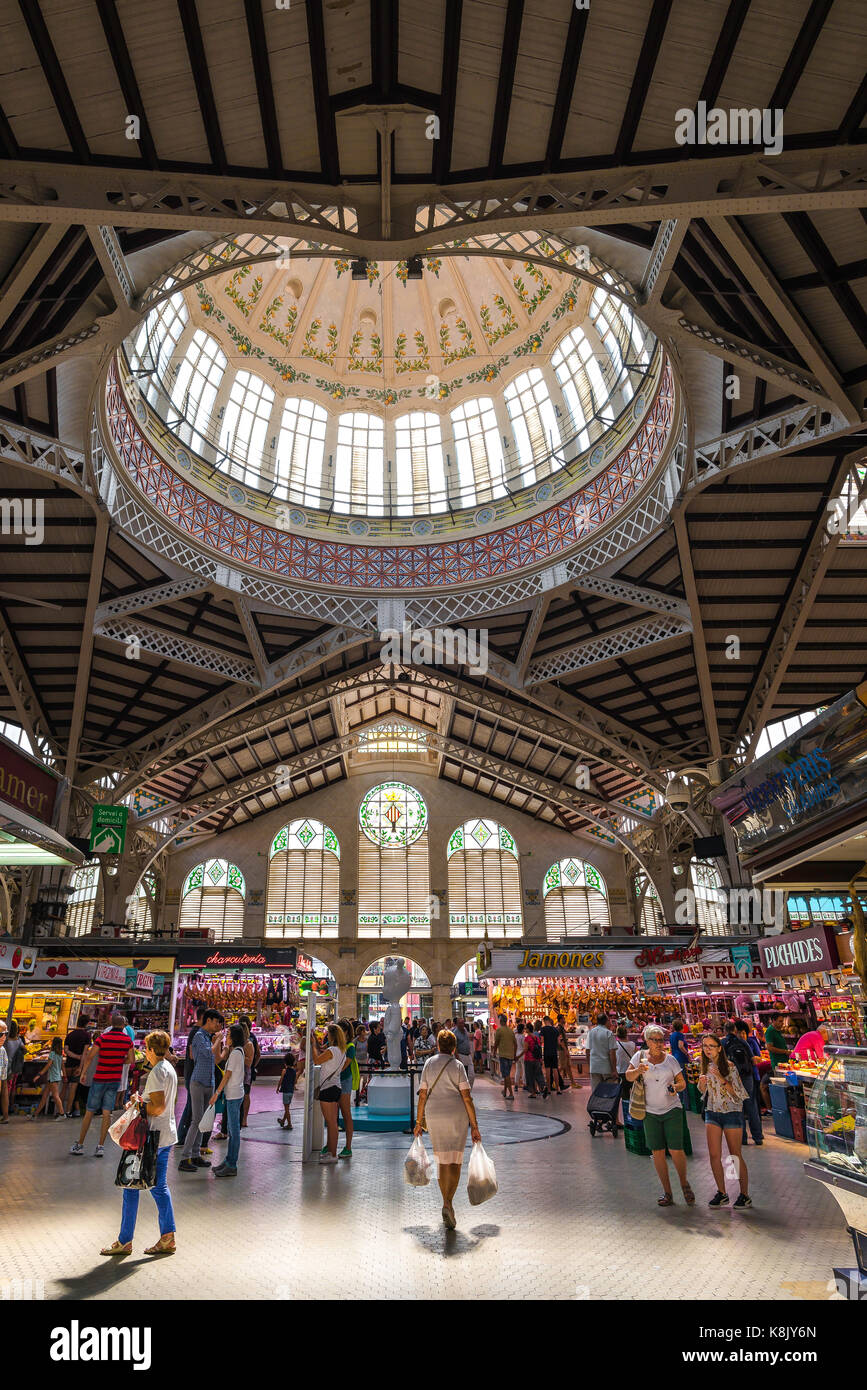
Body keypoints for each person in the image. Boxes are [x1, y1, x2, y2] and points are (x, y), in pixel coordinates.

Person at [100, 1030, 177, 1256]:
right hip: (164, 1135)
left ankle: (135, 1240)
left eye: (146, 1049)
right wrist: (142, 1100)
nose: (145, 1053)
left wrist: (138, 1104)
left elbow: (158, 1107)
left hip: (151, 1138)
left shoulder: (157, 1072)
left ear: (152, 1050)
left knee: (142, 1186)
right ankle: (155, 1238)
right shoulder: (169, 1069)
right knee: (140, 1187)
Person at [413, 1029, 482, 1230]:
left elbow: (423, 1095)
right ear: (453, 1047)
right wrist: (474, 1126)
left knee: (442, 1160)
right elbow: (467, 1097)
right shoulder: (458, 1065)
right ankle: (449, 1202)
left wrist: (418, 1122)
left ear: (437, 1046)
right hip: (456, 1116)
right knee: (455, 1161)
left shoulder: (428, 1064)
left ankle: (446, 1202)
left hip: (435, 1115)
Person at [626, 1024, 694, 1207]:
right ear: (647, 1041)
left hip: (672, 1109)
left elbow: (682, 1083)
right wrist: (637, 1071)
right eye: (654, 1040)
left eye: (661, 1040)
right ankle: (667, 1191)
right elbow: (628, 1076)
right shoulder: (639, 1057)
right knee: (657, 1151)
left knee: (676, 1149)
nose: (658, 1044)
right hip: (650, 1111)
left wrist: (675, 1088)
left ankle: (683, 1182)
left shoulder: (670, 1060)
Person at [698, 1033, 751, 1208]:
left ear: (719, 1048)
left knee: (735, 1155)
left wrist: (721, 1078)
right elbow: (702, 1091)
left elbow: (737, 1093)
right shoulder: (704, 1065)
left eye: (711, 1046)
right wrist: (702, 1083)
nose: (707, 1049)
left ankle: (744, 1195)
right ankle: (722, 1192)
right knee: (714, 1155)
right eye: (705, 1046)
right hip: (712, 1112)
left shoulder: (730, 1067)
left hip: (731, 1112)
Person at [70, 1013, 134, 1157]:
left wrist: (84, 1073)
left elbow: (90, 1057)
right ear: (123, 1026)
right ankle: (100, 1146)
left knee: (90, 1111)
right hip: (114, 1080)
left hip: (99, 1078)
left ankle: (80, 1144)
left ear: (111, 1024)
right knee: (107, 1113)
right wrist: (119, 1062)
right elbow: (131, 1059)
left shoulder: (102, 1038)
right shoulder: (127, 1040)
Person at [178, 1008, 223, 1173]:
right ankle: (184, 1158)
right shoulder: (198, 1036)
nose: (219, 1026)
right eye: (217, 1022)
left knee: (204, 1121)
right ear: (209, 1020)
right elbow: (206, 1053)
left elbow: (216, 1058)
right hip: (197, 1083)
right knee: (196, 1120)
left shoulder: (208, 1037)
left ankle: (196, 1154)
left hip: (209, 1083)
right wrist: (218, 1041)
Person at [209, 1023, 246, 1177]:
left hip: (234, 1095)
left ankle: (232, 1164)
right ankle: (228, 1160)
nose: (227, 1038)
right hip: (234, 1094)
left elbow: (227, 1075)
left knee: (234, 1131)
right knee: (232, 1129)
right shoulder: (236, 1052)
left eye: (229, 1035)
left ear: (235, 1037)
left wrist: (217, 1092)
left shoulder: (237, 1053)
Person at [311, 1023, 346, 1163]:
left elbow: (317, 1060)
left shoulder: (332, 1050)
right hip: (336, 1086)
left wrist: (312, 1045)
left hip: (328, 1088)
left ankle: (332, 1155)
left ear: (331, 1036)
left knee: (331, 1123)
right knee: (333, 1123)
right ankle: (332, 1153)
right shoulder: (342, 1051)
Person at [177, 1004, 205, 1144]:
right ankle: (182, 1136)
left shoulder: (198, 1032)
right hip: (193, 1074)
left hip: (193, 1073)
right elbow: (192, 1054)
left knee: (192, 1106)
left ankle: (185, 1136)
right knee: (190, 1106)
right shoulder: (196, 1032)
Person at [733, 1020, 764, 1146]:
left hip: (750, 1077)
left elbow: (759, 1058)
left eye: (743, 1033)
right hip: (743, 1078)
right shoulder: (738, 1043)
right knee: (747, 1106)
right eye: (739, 1033)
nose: (742, 1035)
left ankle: (757, 1136)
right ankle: (745, 1138)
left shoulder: (750, 1042)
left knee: (751, 1107)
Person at [61, 1015, 91, 1119]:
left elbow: (66, 1050)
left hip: (68, 1065)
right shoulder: (87, 1036)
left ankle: (59, 1110)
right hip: (77, 1066)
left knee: (64, 1088)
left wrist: (74, 1056)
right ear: (87, 1023)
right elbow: (85, 1053)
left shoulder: (70, 1035)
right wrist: (80, 1066)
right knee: (72, 1090)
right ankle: (68, 1111)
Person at [335, 1017, 357, 1159]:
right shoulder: (334, 1044)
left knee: (345, 1112)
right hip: (334, 1081)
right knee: (332, 1114)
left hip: (343, 1081)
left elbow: (344, 1066)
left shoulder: (350, 1047)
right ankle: (331, 1144)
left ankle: (348, 1147)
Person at [31, 1036, 67, 1119]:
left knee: (55, 1096)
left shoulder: (52, 1054)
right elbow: (62, 1066)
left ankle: (62, 1114)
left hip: (52, 1077)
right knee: (45, 1096)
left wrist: (39, 1075)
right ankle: (35, 1115)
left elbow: (48, 1065)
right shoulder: (60, 1054)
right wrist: (64, 1076)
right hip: (56, 1077)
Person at [238, 1015, 260, 1128]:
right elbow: (258, 1055)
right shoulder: (252, 1037)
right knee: (246, 1094)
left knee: (238, 1094)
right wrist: (253, 1066)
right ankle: (244, 1119)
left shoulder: (240, 1039)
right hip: (248, 1072)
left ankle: (237, 1117)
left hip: (240, 1071)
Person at [587, 1012, 617, 1092]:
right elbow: (612, 1053)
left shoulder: (590, 1032)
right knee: (608, 1092)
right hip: (606, 1068)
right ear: (606, 1021)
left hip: (594, 1067)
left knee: (596, 1092)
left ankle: (596, 1104)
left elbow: (587, 1050)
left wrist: (589, 1065)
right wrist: (614, 1070)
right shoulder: (608, 1033)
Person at [491, 1013, 517, 1099]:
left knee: (506, 1075)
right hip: (510, 1056)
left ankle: (511, 1094)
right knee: (507, 1075)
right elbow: (515, 1044)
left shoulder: (499, 1030)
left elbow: (496, 1043)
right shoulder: (511, 1031)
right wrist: (514, 1054)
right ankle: (505, 1091)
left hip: (503, 1055)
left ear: (501, 1021)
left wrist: (494, 1052)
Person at [3, 1020, 25, 1118]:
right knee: (12, 1088)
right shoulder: (19, 1040)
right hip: (15, 1068)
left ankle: (5, 1109)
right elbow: (25, 1050)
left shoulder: (6, 1041)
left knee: (5, 1089)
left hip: (7, 1068)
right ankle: (11, 1106)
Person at [668, 1015, 690, 1108]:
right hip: (681, 1058)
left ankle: (680, 1101)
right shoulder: (680, 1035)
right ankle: (687, 1104)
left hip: (674, 1058)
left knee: (678, 1081)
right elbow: (680, 1046)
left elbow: (672, 1047)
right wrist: (687, 1054)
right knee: (684, 1081)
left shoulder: (672, 1035)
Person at [540, 1015, 563, 1094]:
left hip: (547, 1052)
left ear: (544, 1021)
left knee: (547, 1071)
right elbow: (558, 1042)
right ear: (550, 1021)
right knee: (555, 1070)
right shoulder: (555, 1030)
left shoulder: (543, 1029)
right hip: (554, 1052)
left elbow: (542, 1041)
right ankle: (558, 1088)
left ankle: (549, 1089)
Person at [524, 1022, 547, 1098]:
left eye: (526, 1028)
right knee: (538, 1074)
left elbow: (525, 1049)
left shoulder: (527, 1038)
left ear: (528, 1029)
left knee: (530, 1076)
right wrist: (540, 1059)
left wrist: (518, 1055)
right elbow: (539, 1047)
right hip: (537, 1059)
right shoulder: (536, 1038)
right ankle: (543, 1087)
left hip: (529, 1059)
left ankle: (533, 1093)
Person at [277, 1047, 297, 1129]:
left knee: (286, 1109)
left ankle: (289, 1124)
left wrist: (278, 1088)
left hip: (285, 1091)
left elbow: (281, 1080)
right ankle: (283, 1121)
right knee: (287, 1107)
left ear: (285, 1062)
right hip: (291, 1092)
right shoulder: (294, 1071)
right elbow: (295, 1081)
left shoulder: (284, 1071)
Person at [614, 1023, 634, 1096]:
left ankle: (625, 1106)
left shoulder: (615, 1045)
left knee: (624, 1095)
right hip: (631, 1071)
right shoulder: (632, 1044)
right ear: (626, 1034)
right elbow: (637, 1057)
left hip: (621, 1072)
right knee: (633, 1093)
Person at [453, 1017, 474, 1086]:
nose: (462, 1024)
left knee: (471, 1075)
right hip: (461, 1055)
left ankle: (469, 1090)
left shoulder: (465, 1029)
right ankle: (463, 1092)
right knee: (462, 1076)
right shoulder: (455, 1033)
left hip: (468, 1055)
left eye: (463, 1023)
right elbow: (454, 1047)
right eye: (460, 1023)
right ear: (457, 1024)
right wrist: (458, 1058)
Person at [556, 1015, 574, 1089]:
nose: (565, 1019)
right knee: (562, 1066)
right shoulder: (559, 1028)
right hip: (562, 1050)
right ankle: (554, 1080)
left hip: (564, 1049)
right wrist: (565, 1050)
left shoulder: (562, 1028)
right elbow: (560, 1041)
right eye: (563, 1018)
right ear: (560, 1020)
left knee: (568, 1066)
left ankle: (573, 1083)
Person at [514, 1021, 526, 1091]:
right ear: (522, 1030)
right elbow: (524, 1047)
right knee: (524, 1070)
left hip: (516, 1054)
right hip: (522, 1054)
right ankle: (524, 1084)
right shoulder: (522, 1036)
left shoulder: (515, 1036)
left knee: (517, 1070)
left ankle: (516, 1084)